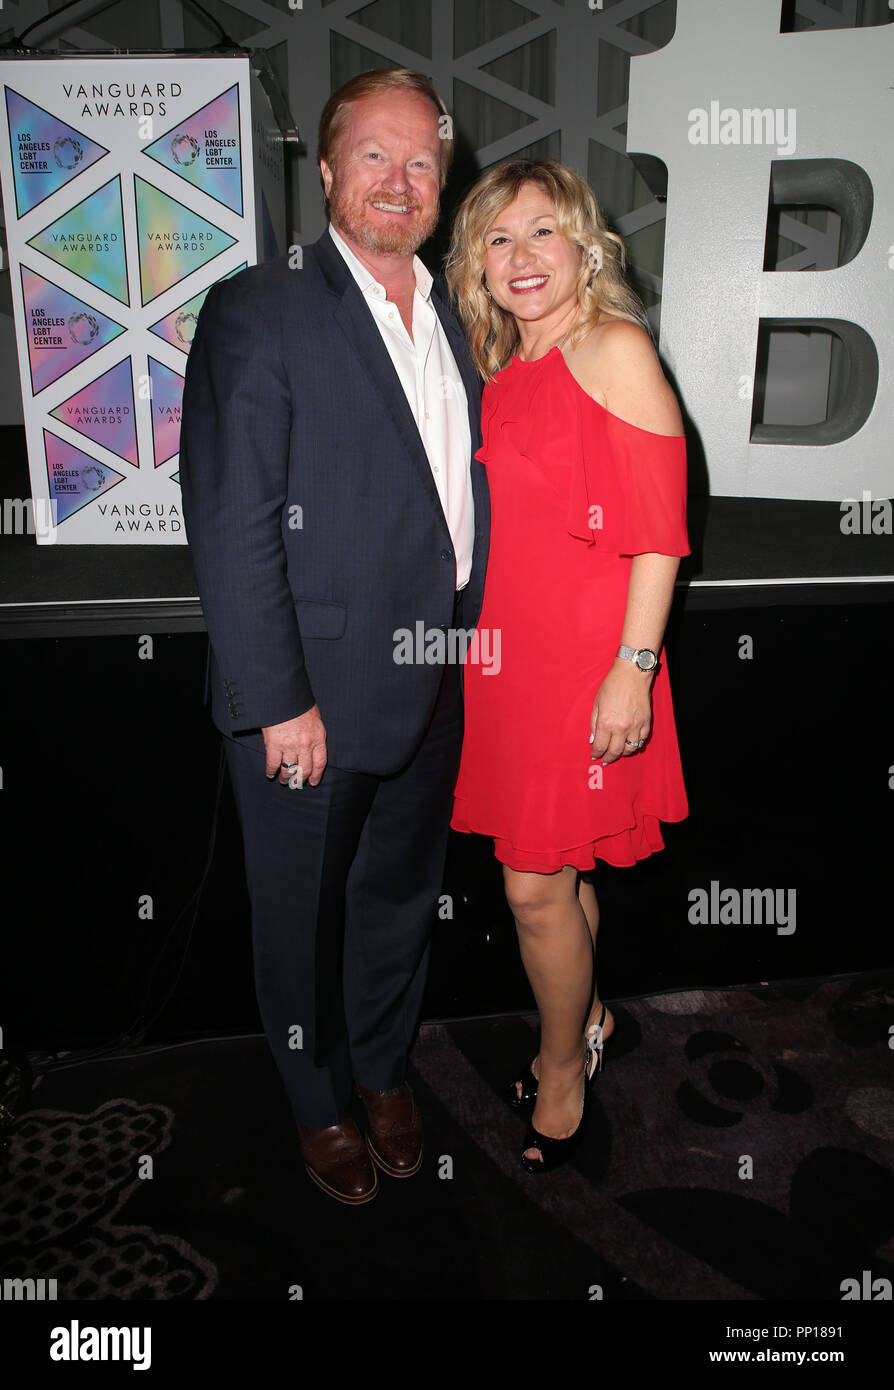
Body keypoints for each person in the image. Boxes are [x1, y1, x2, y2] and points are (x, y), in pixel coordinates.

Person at [179, 69, 489, 1206]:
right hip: (308, 695)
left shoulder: (460, 309)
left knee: (399, 898)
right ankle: (317, 1100)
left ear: (442, 181)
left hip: (434, 676)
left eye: (420, 161)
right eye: (373, 157)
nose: (398, 181)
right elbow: (230, 519)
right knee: (301, 919)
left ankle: (384, 1066)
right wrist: (275, 699)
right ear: (325, 172)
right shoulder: (259, 309)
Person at [445, 158, 689, 1172]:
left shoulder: (614, 347)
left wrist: (632, 668)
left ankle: (558, 1070)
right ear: (478, 263)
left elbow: (662, 534)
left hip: (590, 661)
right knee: (563, 861)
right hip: (511, 661)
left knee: (533, 886)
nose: (520, 256)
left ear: (583, 245)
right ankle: (586, 1021)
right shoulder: (506, 369)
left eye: (541, 232)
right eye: (498, 239)